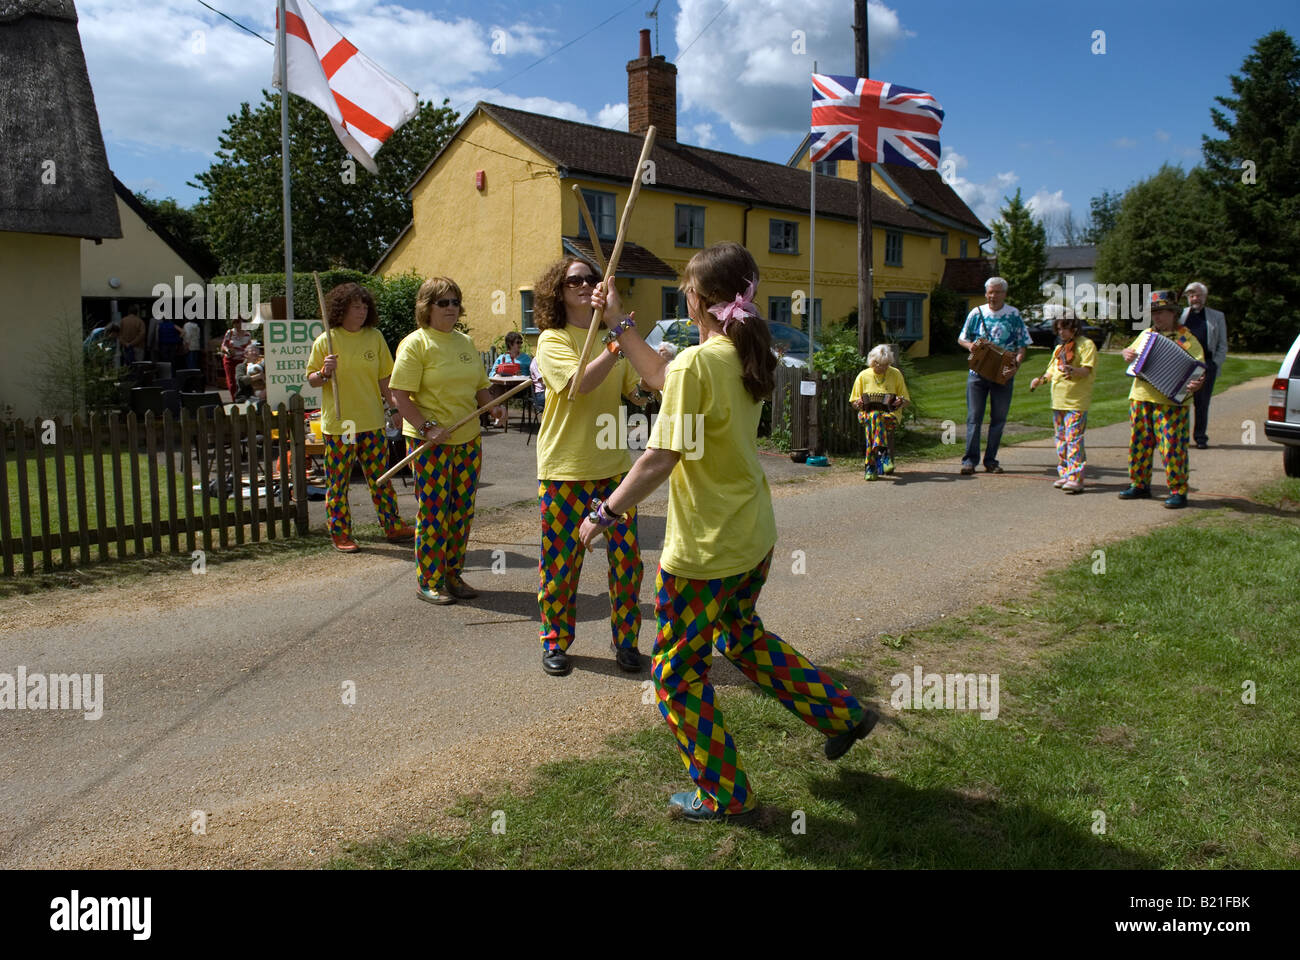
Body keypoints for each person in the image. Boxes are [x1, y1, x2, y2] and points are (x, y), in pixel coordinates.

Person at [579, 241, 877, 822]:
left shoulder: (703, 362)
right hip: (751, 536)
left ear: (698, 298)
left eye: (687, 289)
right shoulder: (739, 353)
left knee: (674, 676)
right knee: (741, 638)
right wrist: (619, 324)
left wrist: (606, 510)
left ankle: (723, 794)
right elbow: (665, 377)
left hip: (705, 552)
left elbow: (662, 455)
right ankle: (843, 713)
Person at [533, 256, 650, 677]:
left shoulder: (610, 336)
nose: (585, 284)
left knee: (627, 563)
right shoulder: (552, 339)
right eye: (574, 280)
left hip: (614, 469)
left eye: (591, 278)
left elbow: (633, 393)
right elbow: (580, 385)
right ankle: (556, 642)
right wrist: (617, 343)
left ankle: (628, 643)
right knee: (563, 564)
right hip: (564, 469)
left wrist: (648, 377)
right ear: (558, 292)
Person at [388, 278, 493, 602]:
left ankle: (453, 575)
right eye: (443, 302)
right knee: (434, 511)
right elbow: (399, 395)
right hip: (429, 444)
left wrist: (493, 405)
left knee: (461, 511)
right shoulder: (416, 343)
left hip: (468, 439)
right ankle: (428, 581)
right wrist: (427, 427)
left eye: (455, 302)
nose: (451, 308)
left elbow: (480, 387)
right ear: (427, 307)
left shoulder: (464, 343)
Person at [306, 283, 414, 554]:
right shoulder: (326, 340)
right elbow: (311, 380)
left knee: (381, 478)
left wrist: (395, 409)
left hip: (372, 422)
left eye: (365, 306)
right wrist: (324, 372)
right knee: (338, 482)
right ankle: (340, 533)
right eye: (356, 307)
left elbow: (385, 379)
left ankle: (392, 526)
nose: (362, 311)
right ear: (342, 309)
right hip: (340, 425)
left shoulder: (374, 337)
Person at [1118, 290, 1206, 509]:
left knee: (1172, 446)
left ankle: (1178, 491)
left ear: (1173, 313)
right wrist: (1126, 353)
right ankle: (1139, 484)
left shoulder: (1187, 338)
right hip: (1141, 396)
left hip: (1172, 401)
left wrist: (1197, 383)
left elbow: (1199, 371)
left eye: (1161, 312)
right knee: (1139, 443)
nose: (1157, 317)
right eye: (1154, 312)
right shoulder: (1146, 334)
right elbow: (1131, 354)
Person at [957, 277, 1031, 474]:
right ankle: (969, 461)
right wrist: (970, 345)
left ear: (1004, 294)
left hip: (1003, 373)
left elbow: (1022, 345)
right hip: (978, 372)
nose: (993, 296)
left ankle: (990, 460)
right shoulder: (977, 312)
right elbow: (962, 338)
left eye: (997, 292)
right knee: (974, 417)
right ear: (985, 293)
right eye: (990, 292)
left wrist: (1017, 365)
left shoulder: (1013, 315)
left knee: (998, 418)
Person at [1029, 306, 1096, 493]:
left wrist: (1073, 370)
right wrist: (1040, 380)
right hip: (1058, 401)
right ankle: (1065, 473)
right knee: (1061, 439)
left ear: (1074, 327)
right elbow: (1051, 372)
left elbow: (1086, 370)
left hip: (1076, 401)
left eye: (1063, 328)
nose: (1060, 332)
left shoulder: (1086, 345)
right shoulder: (1059, 348)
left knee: (1073, 439)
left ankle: (1076, 477)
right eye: (1058, 329)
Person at [850, 343, 910, 480]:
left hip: (890, 417)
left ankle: (870, 468)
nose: (882, 368)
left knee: (874, 419)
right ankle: (884, 456)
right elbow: (854, 403)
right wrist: (858, 403)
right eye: (879, 365)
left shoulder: (896, 374)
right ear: (872, 361)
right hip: (866, 415)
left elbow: (906, 400)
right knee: (874, 416)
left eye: (886, 365)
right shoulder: (863, 376)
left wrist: (900, 401)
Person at [1179, 282, 1228, 449]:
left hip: (1206, 364)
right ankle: (1180, 436)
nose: (1195, 298)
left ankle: (1200, 437)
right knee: (1179, 400)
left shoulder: (1217, 316)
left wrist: (1215, 363)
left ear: (1205, 297)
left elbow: (1222, 344)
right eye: (1191, 295)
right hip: (1183, 363)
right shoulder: (1180, 315)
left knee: (1202, 403)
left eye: (1198, 295)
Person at [488, 331, 529, 427]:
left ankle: (499, 414)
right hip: (504, 386)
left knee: (494, 389)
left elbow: (533, 373)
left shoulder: (525, 358)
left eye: (521, 342)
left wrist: (522, 373)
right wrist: (497, 372)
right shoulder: (502, 357)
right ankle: (500, 412)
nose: (520, 345)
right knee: (496, 387)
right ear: (510, 344)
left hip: (520, 388)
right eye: (517, 342)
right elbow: (492, 373)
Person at [219, 316, 253, 399]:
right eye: (236, 322)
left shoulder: (247, 334)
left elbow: (249, 347)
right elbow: (223, 346)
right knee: (232, 381)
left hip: (242, 361)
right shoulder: (230, 333)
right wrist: (228, 351)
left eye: (241, 322)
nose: (239, 325)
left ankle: (243, 397)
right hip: (230, 360)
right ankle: (234, 399)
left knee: (242, 380)